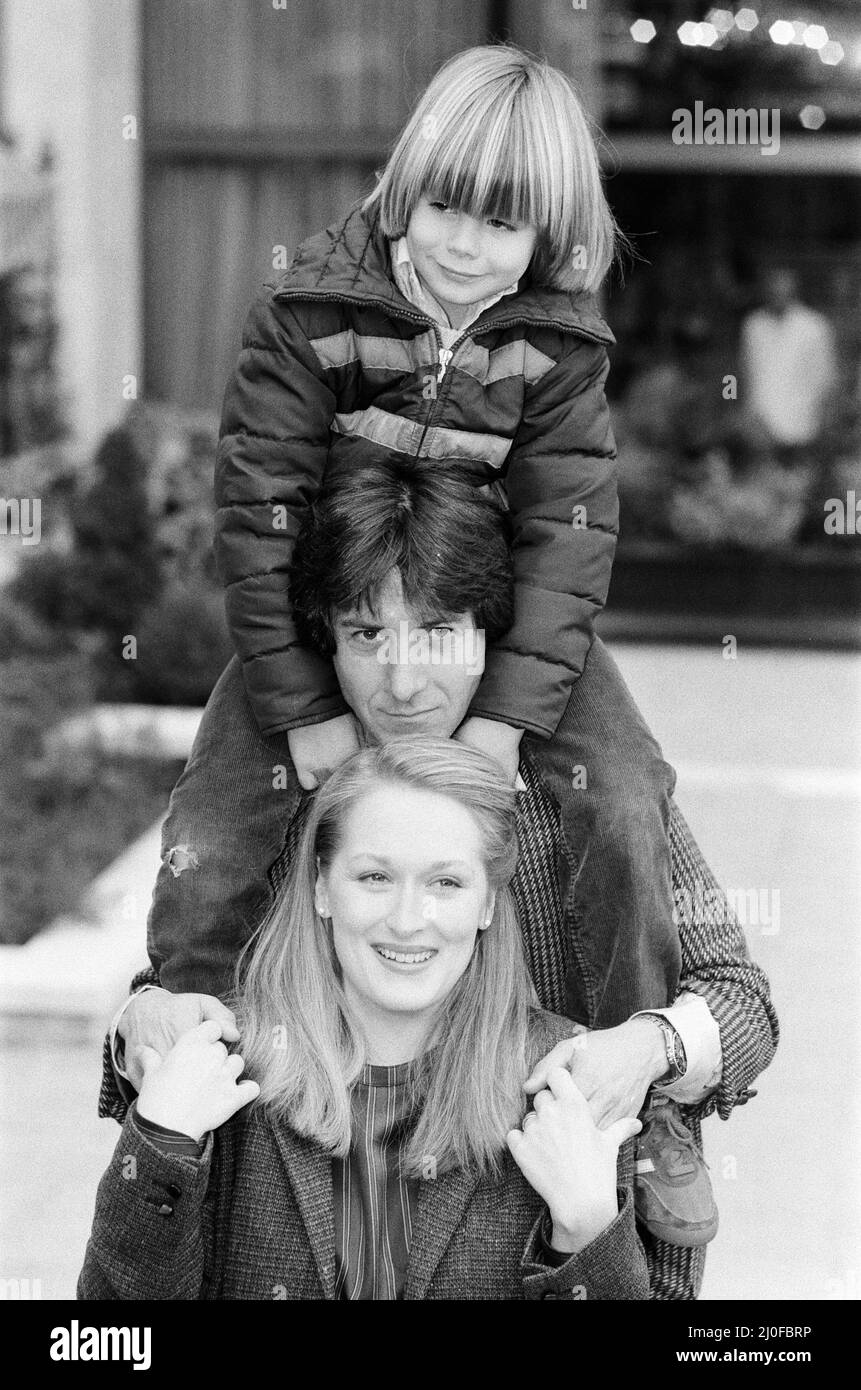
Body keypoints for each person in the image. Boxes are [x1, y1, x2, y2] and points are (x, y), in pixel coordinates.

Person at [100, 457, 779, 1300]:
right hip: (329, 1164)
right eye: (366, 637)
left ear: (492, 633)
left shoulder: (582, 789)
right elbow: (196, 961)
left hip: (539, 1167)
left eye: (436, 635)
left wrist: (643, 1051)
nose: (402, 684)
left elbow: (741, 1000)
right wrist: (144, 1022)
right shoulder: (288, 781)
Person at [80, 742, 649, 1301]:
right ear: (322, 888)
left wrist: (587, 1230)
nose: (407, 920)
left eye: (446, 883)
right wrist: (161, 1140)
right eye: (375, 877)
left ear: (488, 904)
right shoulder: (225, 1068)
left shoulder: (568, 1084)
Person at [740, 267, 838, 470]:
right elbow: (738, 373)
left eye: (783, 291)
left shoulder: (814, 326)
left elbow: (827, 378)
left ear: (794, 291)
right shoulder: (752, 324)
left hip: (802, 426)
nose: (778, 296)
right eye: (773, 291)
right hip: (759, 428)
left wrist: (823, 422)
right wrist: (735, 403)